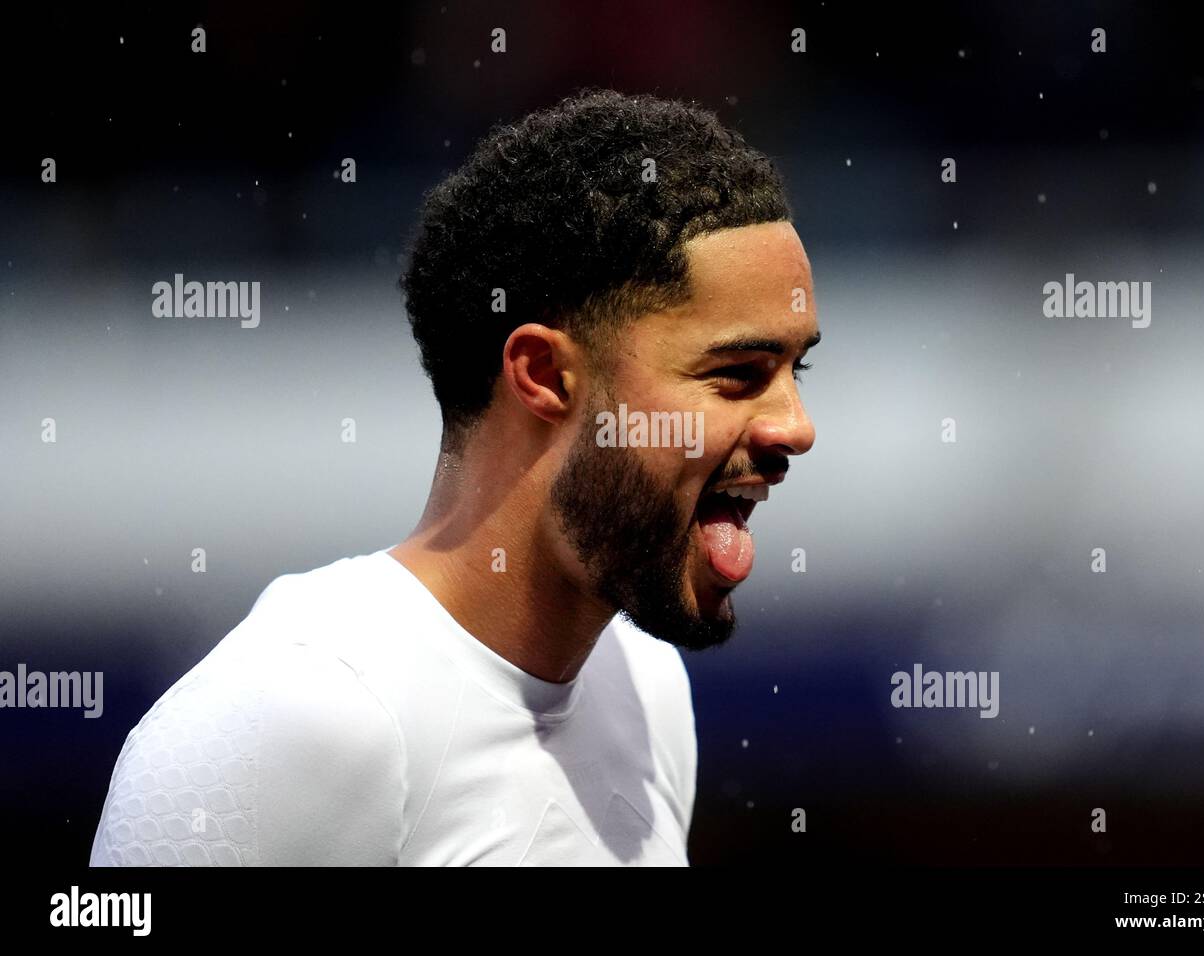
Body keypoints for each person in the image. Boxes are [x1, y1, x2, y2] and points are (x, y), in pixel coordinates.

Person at [89, 88, 819, 866]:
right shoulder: (294, 717)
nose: (796, 428)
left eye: (797, 367)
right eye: (738, 373)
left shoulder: (645, 689)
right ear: (543, 375)